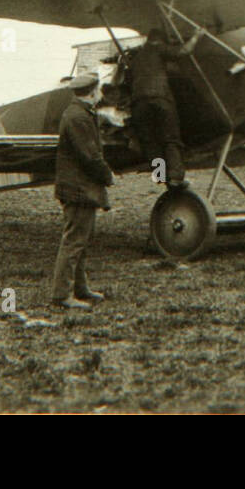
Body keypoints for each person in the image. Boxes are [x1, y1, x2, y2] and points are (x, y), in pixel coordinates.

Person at [50, 72, 115, 309]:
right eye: (98, 90)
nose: (100, 94)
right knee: (74, 241)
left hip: (79, 187)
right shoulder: (78, 117)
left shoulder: (80, 113)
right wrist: (107, 175)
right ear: (92, 92)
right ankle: (62, 295)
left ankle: (80, 288)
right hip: (78, 188)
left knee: (81, 240)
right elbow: (90, 155)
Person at [128, 27, 201, 187]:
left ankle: (160, 176)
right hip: (160, 99)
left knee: (151, 142)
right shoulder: (158, 48)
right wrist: (196, 36)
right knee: (170, 138)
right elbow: (183, 51)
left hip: (139, 103)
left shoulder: (138, 56)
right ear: (160, 39)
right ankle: (175, 177)